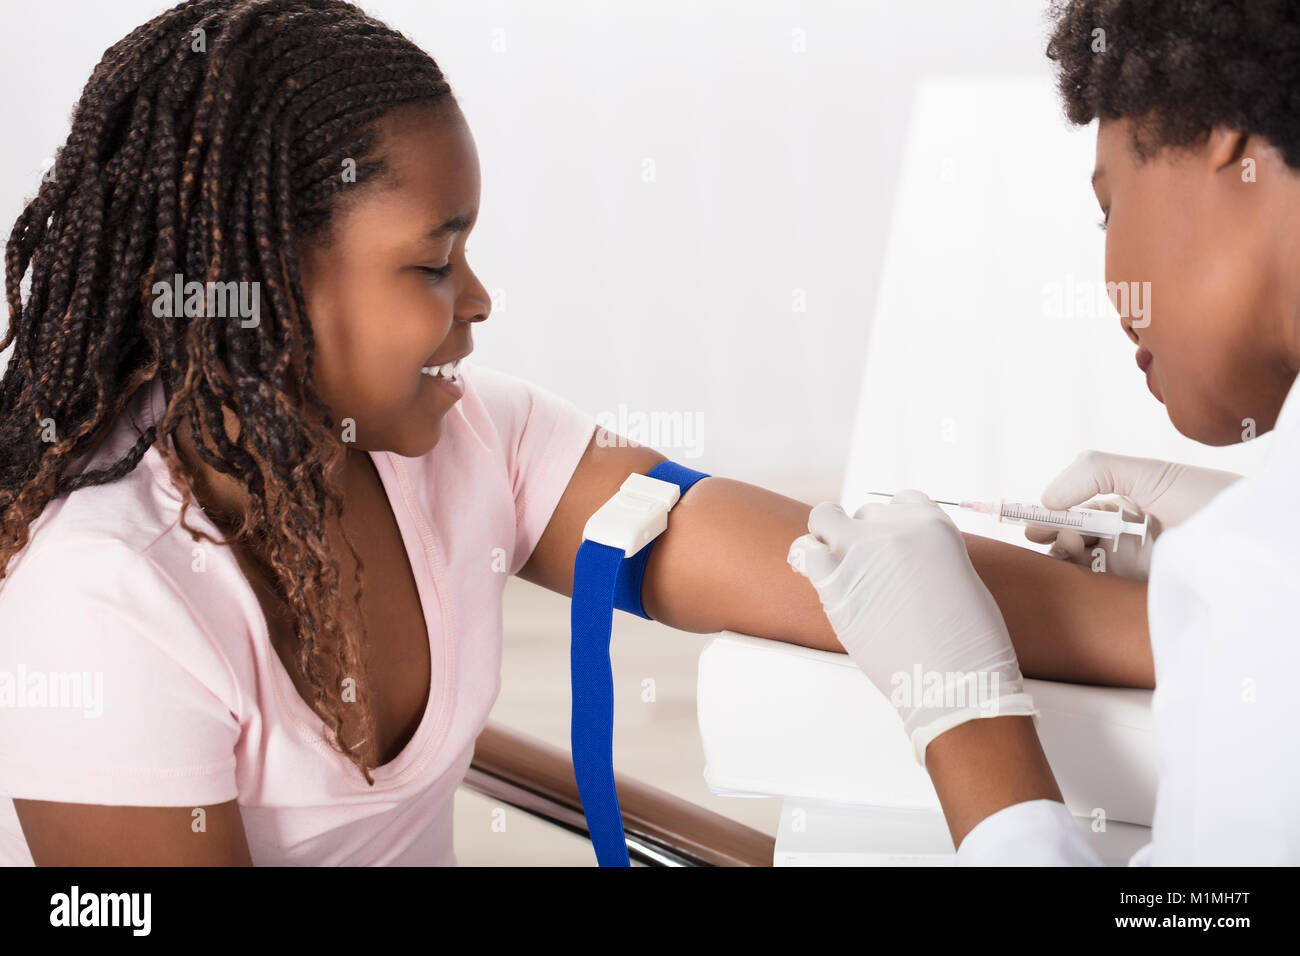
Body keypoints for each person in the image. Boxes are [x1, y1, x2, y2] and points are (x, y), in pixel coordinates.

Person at [0, 0, 1146, 865]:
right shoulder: (106, 605)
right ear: (264, 282)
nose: (481, 300)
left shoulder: (468, 438)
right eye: (434, 262)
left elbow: (850, 571)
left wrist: (1215, 621)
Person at [791, 0, 1300, 865]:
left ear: (1224, 134)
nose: (1110, 274)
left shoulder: (1263, 598)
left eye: (1109, 209)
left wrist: (966, 723)